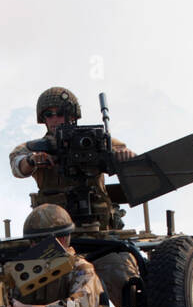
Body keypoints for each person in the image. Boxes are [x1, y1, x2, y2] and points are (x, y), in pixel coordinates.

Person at [9, 86, 135, 230]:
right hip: (54, 232)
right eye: (49, 114)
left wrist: (124, 156)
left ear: (73, 115)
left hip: (99, 228)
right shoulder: (36, 147)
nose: (55, 119)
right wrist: (32, 160)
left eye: (61, 113)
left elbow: (126, 156)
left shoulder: (97, 141)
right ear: (43, 119)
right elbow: (17, 165)